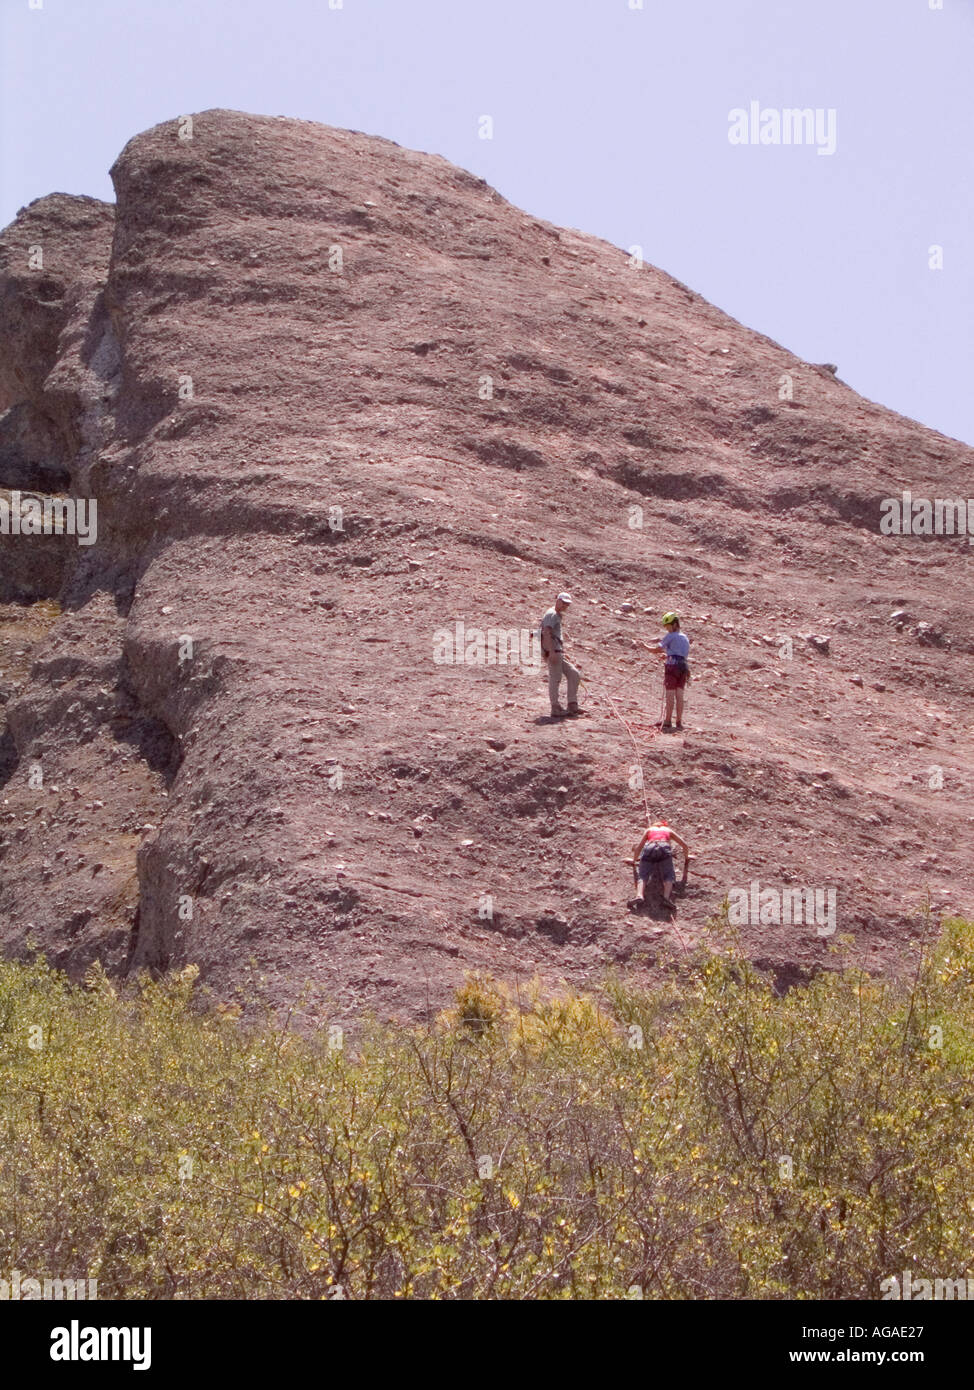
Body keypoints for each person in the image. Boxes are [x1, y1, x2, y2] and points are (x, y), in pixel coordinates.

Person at [630, 819, 690, 911]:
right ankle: (666, 898)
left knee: (643, 874)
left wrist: (633, 861)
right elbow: (684, 845)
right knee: (669, 875)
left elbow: (639, 847)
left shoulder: (649, 830)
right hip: (664, 846)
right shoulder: (667, 830)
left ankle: (639, 895)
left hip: (650, 847)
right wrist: (687, 857)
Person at [540, 592, 583, 718]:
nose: (565, 606)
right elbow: (546, 632)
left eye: (567, 604)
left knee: (573, 673)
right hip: (553, 651)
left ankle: (572, 705)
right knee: (555, 678)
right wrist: (551, 652)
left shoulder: (556, 615)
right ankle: (555, 708)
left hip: (557, 651)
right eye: (563, 602)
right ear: (557, 600)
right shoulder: (552, 614)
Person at [654, 611, 690, 731]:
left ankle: (668, 721)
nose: (667, 629)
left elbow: (657, 649)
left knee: (670, 694)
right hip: (683, 667)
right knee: (680, 694)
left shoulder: (671, 636)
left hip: (672, 667)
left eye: (668, 626)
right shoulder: (685, 638)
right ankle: (679, 722)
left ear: (674, 624)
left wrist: (644, 646)